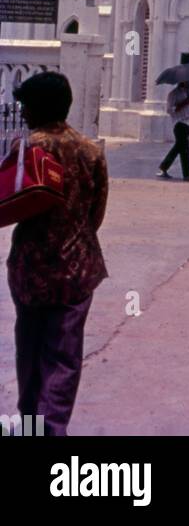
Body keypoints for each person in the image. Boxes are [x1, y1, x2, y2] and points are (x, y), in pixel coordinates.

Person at [7, 71, 108, 435]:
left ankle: (32, 425)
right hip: (77, 269)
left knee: (30, 351)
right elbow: (96, 212)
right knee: (63, 356)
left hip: (31, 270)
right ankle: (52, 429)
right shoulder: (91, 150)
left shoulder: (27, 147)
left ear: (35, 108)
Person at [158, 80, 189, 180]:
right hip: (179, 123)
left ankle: (164, 167)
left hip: (188, 123)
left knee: (179, 147)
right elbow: (169, 110)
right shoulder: (173, 94)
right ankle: (187, 174)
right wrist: (182, 104)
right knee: (184, 149)